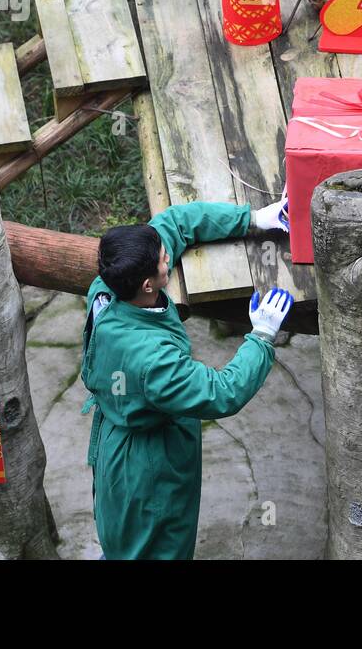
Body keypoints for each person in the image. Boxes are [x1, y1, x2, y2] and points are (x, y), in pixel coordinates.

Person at [81, 191, 292, 560]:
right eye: (164, 259)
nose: (168, 255)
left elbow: (177, 224)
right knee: (156, 546)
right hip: (147, 469)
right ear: (149, 283)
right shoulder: (151, 360)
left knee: (124, 541)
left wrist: (255, 218)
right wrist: (261, 337)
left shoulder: (107, 288)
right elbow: (221, 392)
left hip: (117, 442)